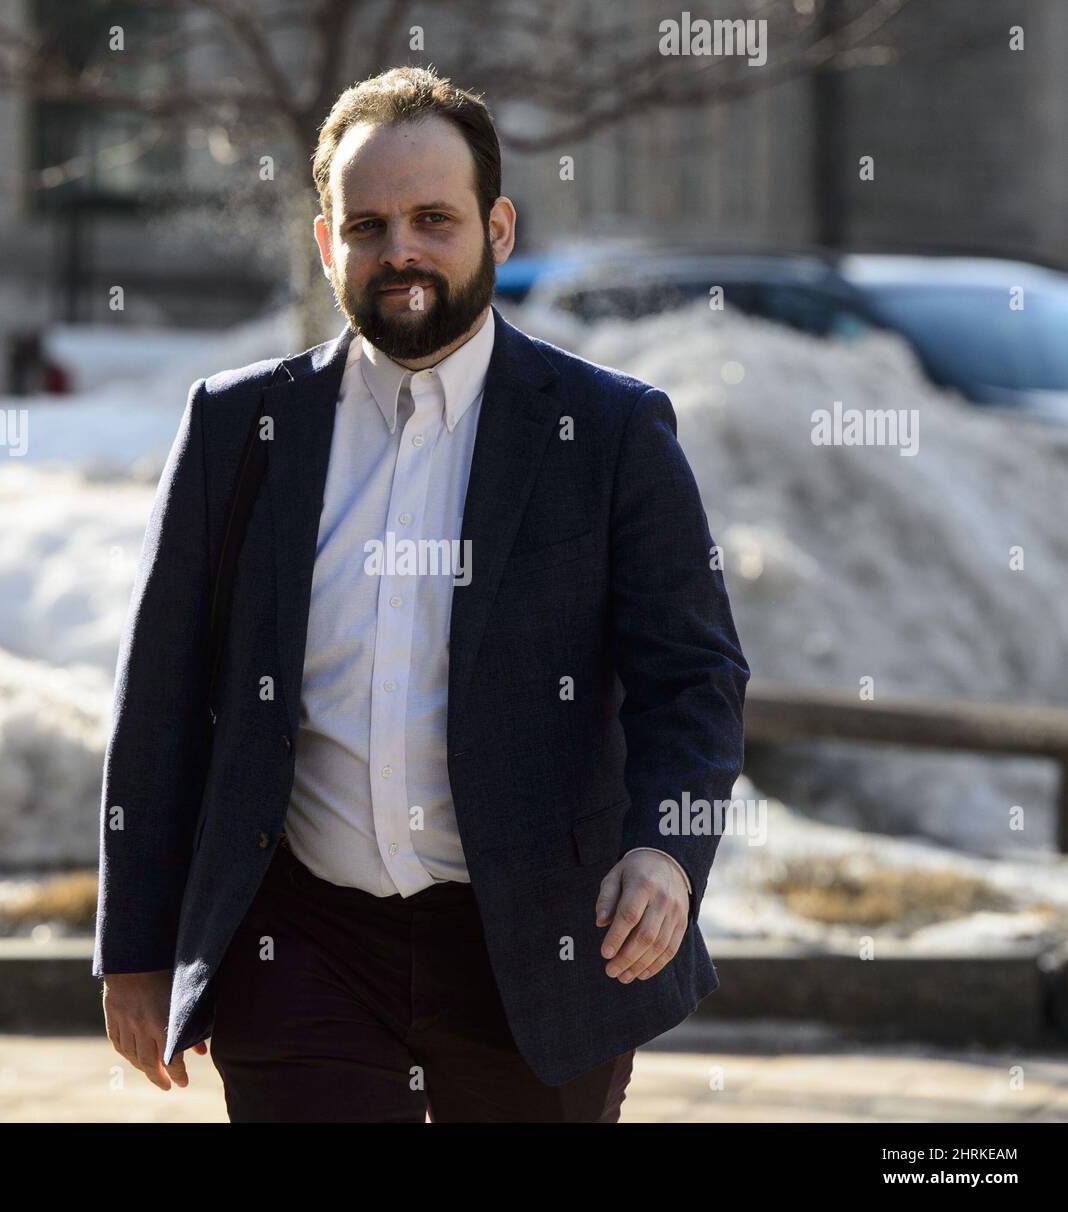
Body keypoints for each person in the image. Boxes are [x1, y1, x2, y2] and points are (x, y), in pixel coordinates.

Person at [95, 65, 749, 1123]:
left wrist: (665, 853)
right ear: (326, 244)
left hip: (540, 944)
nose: (399, 251)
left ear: (497, 229)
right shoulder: (236, 430)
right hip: (299, 950)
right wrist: (135, 947)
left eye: (433, 220)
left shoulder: (608, 432)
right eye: (368, 226)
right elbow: (160, 696)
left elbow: (694, 675)